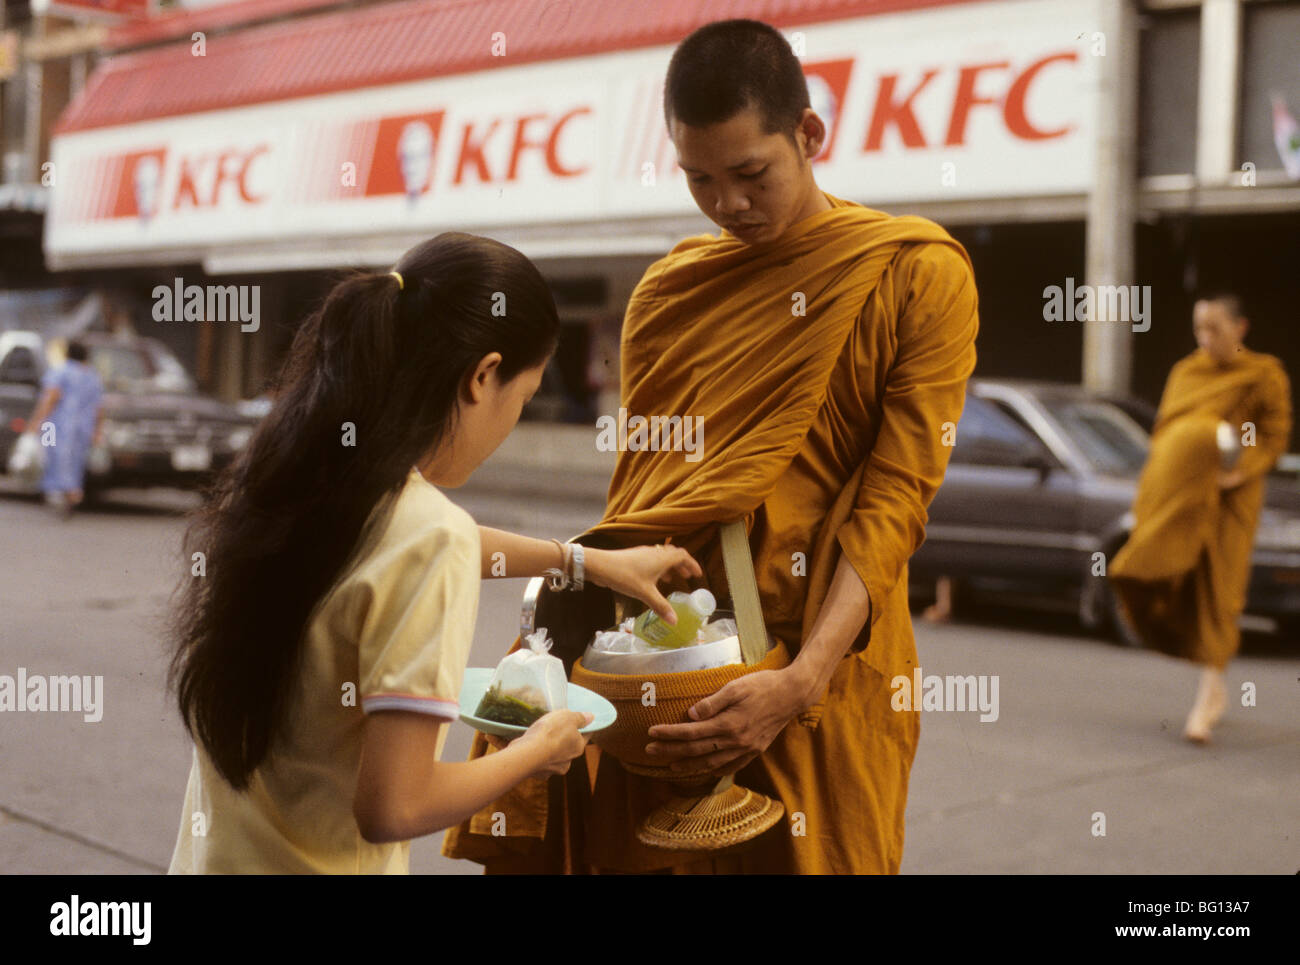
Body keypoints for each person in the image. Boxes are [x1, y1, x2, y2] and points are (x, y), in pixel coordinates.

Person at [442, 19, 979, 874]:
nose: (727, 204)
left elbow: (894, 502)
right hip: (665, 660)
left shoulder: (913, 272)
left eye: (750, 174)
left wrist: (797, 684)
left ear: (809, 135)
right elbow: (643, 501)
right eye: (699, 179)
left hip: (821, 666)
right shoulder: (668, 292)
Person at [164, 232, 702, 873]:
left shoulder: (299, 474)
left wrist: (584, 562)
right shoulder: (425, 532)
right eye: (523, 399)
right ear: (482, 377)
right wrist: (539, 748)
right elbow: (394, 806)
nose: (511, 424)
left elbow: (404, 545)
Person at [1109, 293, 1291, 744]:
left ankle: (1208, 696)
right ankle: (1192, 657)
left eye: (1215, 329)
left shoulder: (1263, 374)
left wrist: (1240, 470)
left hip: (1232, 497)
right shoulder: (1185, 373)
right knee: (1145, 570)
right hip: (1180, 497)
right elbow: (1165, 435)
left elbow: (1271, 437)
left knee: (1221, 587)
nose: (1205, 339)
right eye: (1199, 329)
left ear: (1240, 328)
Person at [26, 339, 105, 517]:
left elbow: (51, 398)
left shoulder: (60, 372)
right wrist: (97, 431)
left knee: (54, 456)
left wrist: (36, 422)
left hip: (56, 426)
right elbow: (98, 407)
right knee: (75, 460)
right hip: (83, 428)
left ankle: (59, 491)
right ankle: (73, 491)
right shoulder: (93, 376)